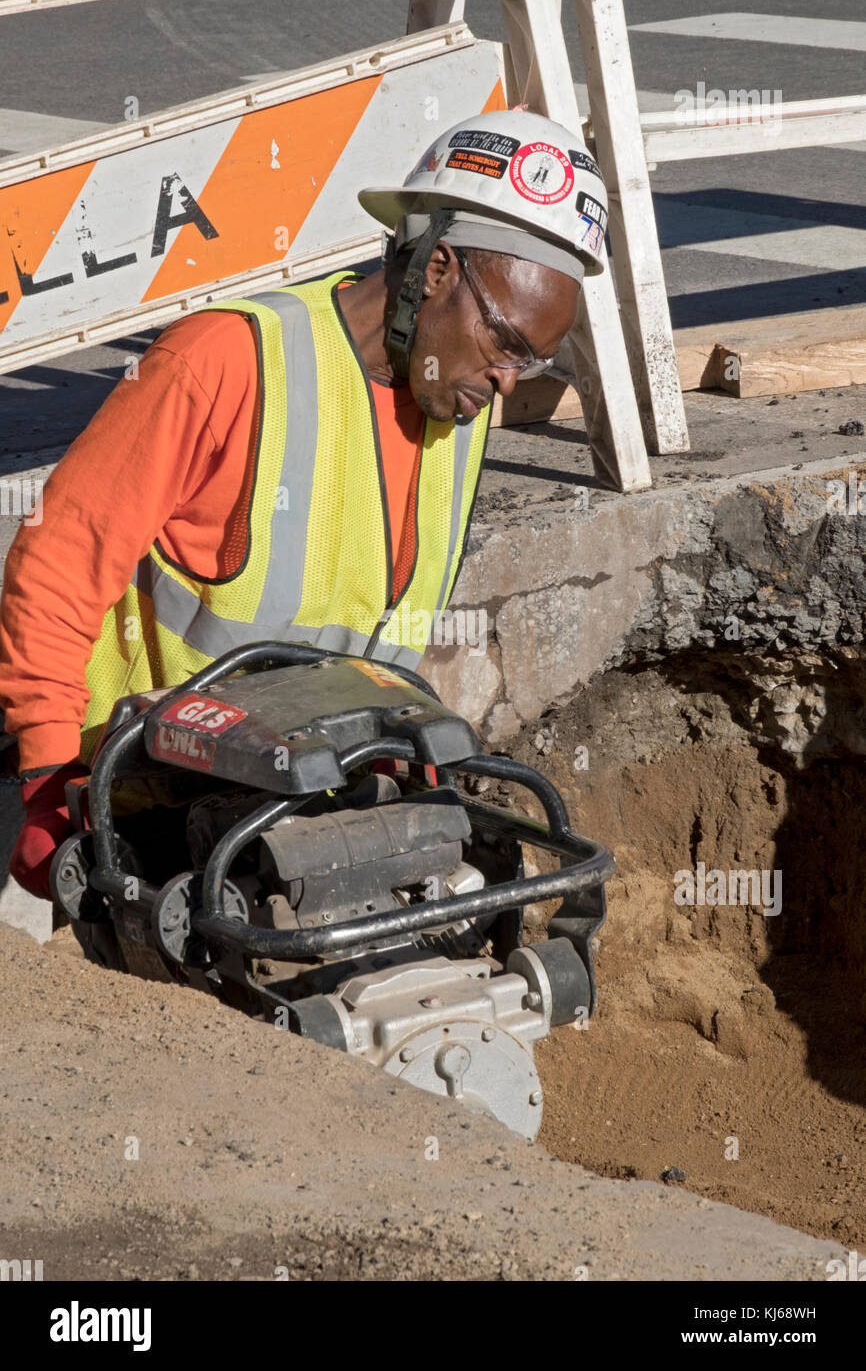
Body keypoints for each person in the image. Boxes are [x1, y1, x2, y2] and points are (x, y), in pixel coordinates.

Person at [0, 108, 608, 901]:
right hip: (123, 793)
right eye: (507, 344)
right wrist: (48, 771)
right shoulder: (225, 362)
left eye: (533, 360)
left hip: (287, 817)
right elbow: (59, 562)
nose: (508, 383)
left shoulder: (455, 406)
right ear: (436, 270)